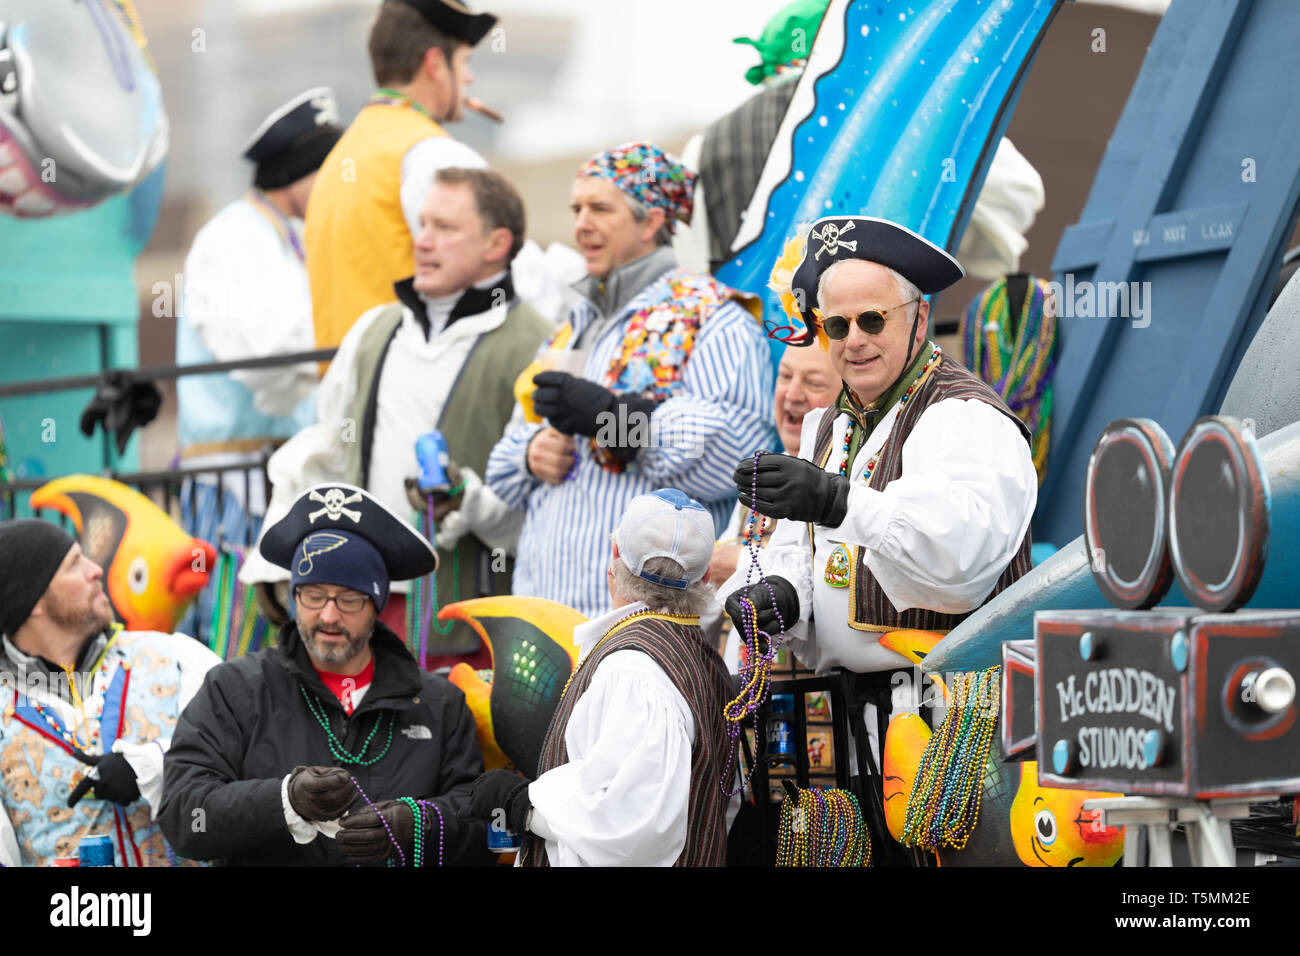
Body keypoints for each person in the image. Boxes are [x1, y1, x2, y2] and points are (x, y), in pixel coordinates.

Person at [720, 216, 1037, 858]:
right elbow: (800, 551)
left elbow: (960, 560)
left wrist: (838, 501)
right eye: (835, 326)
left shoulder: (964, 416)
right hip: (839, 729)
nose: (853, 341)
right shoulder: (829, 427)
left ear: (919, 317)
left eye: (873, 320)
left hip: (945, 727)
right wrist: (782, 595)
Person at [239, 168, 550, 667]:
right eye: (421, 224)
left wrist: (468, 504)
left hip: (477, 621)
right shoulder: (374, 331)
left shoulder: (540, 344)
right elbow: (325, 457)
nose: (422, 241)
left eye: (445, 228)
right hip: (366, 607)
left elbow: (546, 514)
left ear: (497, 244)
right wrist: (278, 566)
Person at [486, 141, 776, 618]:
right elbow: (501, 465)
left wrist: (612, 422)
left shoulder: (712, 317)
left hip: (647, 626)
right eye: (577, 208)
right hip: (544, 619)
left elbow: (741, 454)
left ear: (652, 221)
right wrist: (529, 454)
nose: (581, 223)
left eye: (600, 208)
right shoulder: (574, 324)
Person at [158, 484, 492, 866]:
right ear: (294, 596)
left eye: (349, 599)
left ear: (377, 604)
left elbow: (484, 823)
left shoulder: (438, 703)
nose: (329, 616)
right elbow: (184, 816)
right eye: (313, 595)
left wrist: (421, 825)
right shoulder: (233, 690)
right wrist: (284, 800)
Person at [460, 489, 734, 866]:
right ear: (704, 575)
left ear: (615, 556)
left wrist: (523, 804)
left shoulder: (633, 670)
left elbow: (634, 824)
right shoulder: (696, 655)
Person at [175, 87, 343, 642]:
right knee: (234, 628)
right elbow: (265, 361)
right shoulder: (234, 238)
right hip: (236, 479)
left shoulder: (280, 237)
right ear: (301, 172)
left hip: (275, 474)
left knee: (277, 631)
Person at [0, 519, 219, 866]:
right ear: (33, 602)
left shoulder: (175, 658)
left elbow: (248, 754)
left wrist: (154, 765)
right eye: (74, 565)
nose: (96, 570)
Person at [305, 0, 498, 357]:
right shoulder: (433, 154)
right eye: (464, 63)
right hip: (410, 392)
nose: (470, 78)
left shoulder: (340, 158)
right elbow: (502, 272)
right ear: (435, 64)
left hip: (346, 394)